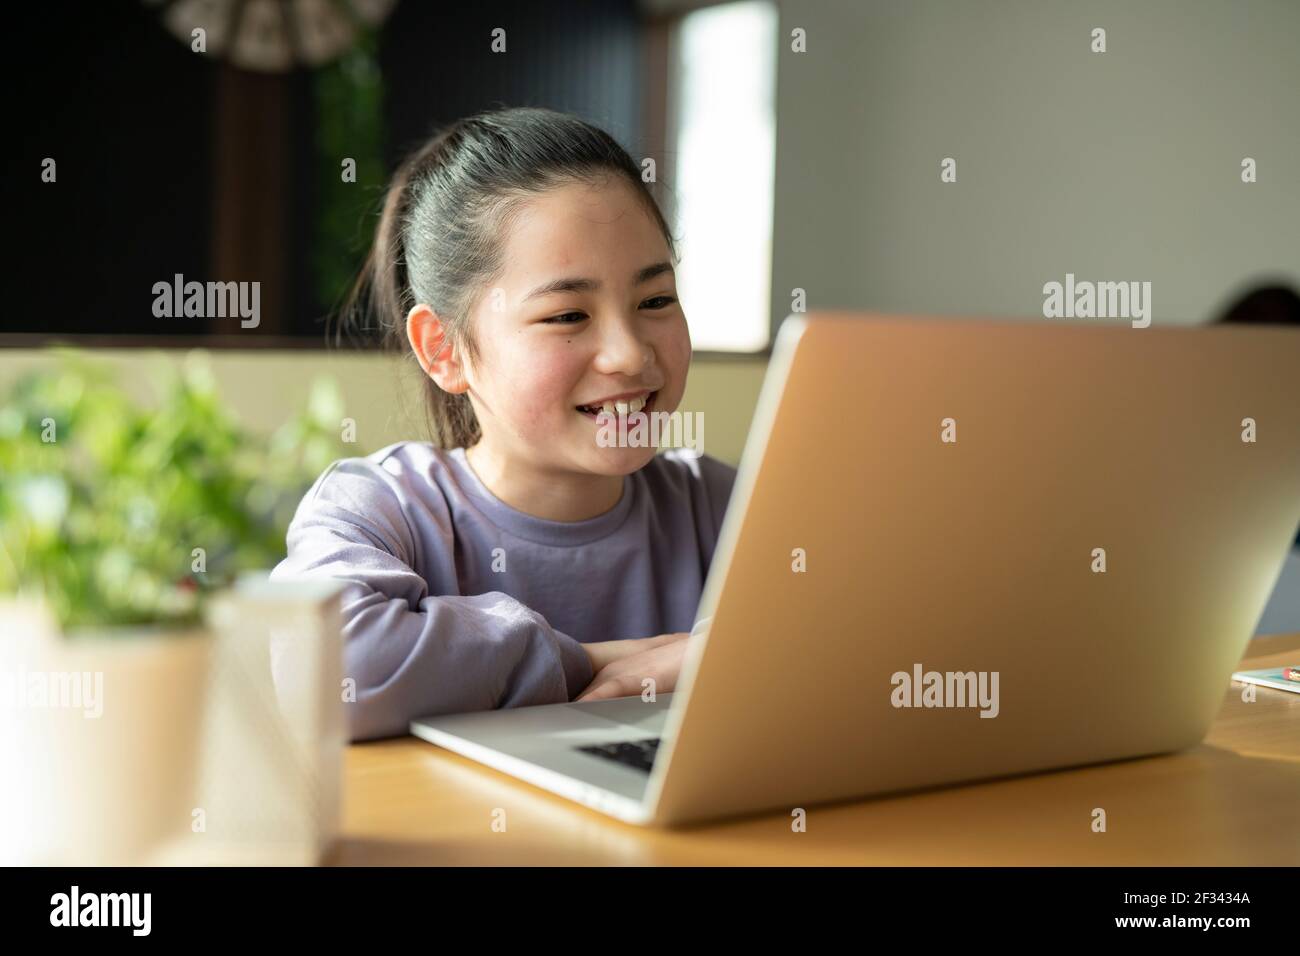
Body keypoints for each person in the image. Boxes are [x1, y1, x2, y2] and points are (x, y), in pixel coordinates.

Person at [271, 107, 737, 741]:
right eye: (567, 315)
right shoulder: (381, 508)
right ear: (445, 349)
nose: (630, 353)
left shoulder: (722, 507)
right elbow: (323, 669)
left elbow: (881, 636)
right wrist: (594, 663)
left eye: (655, 301)